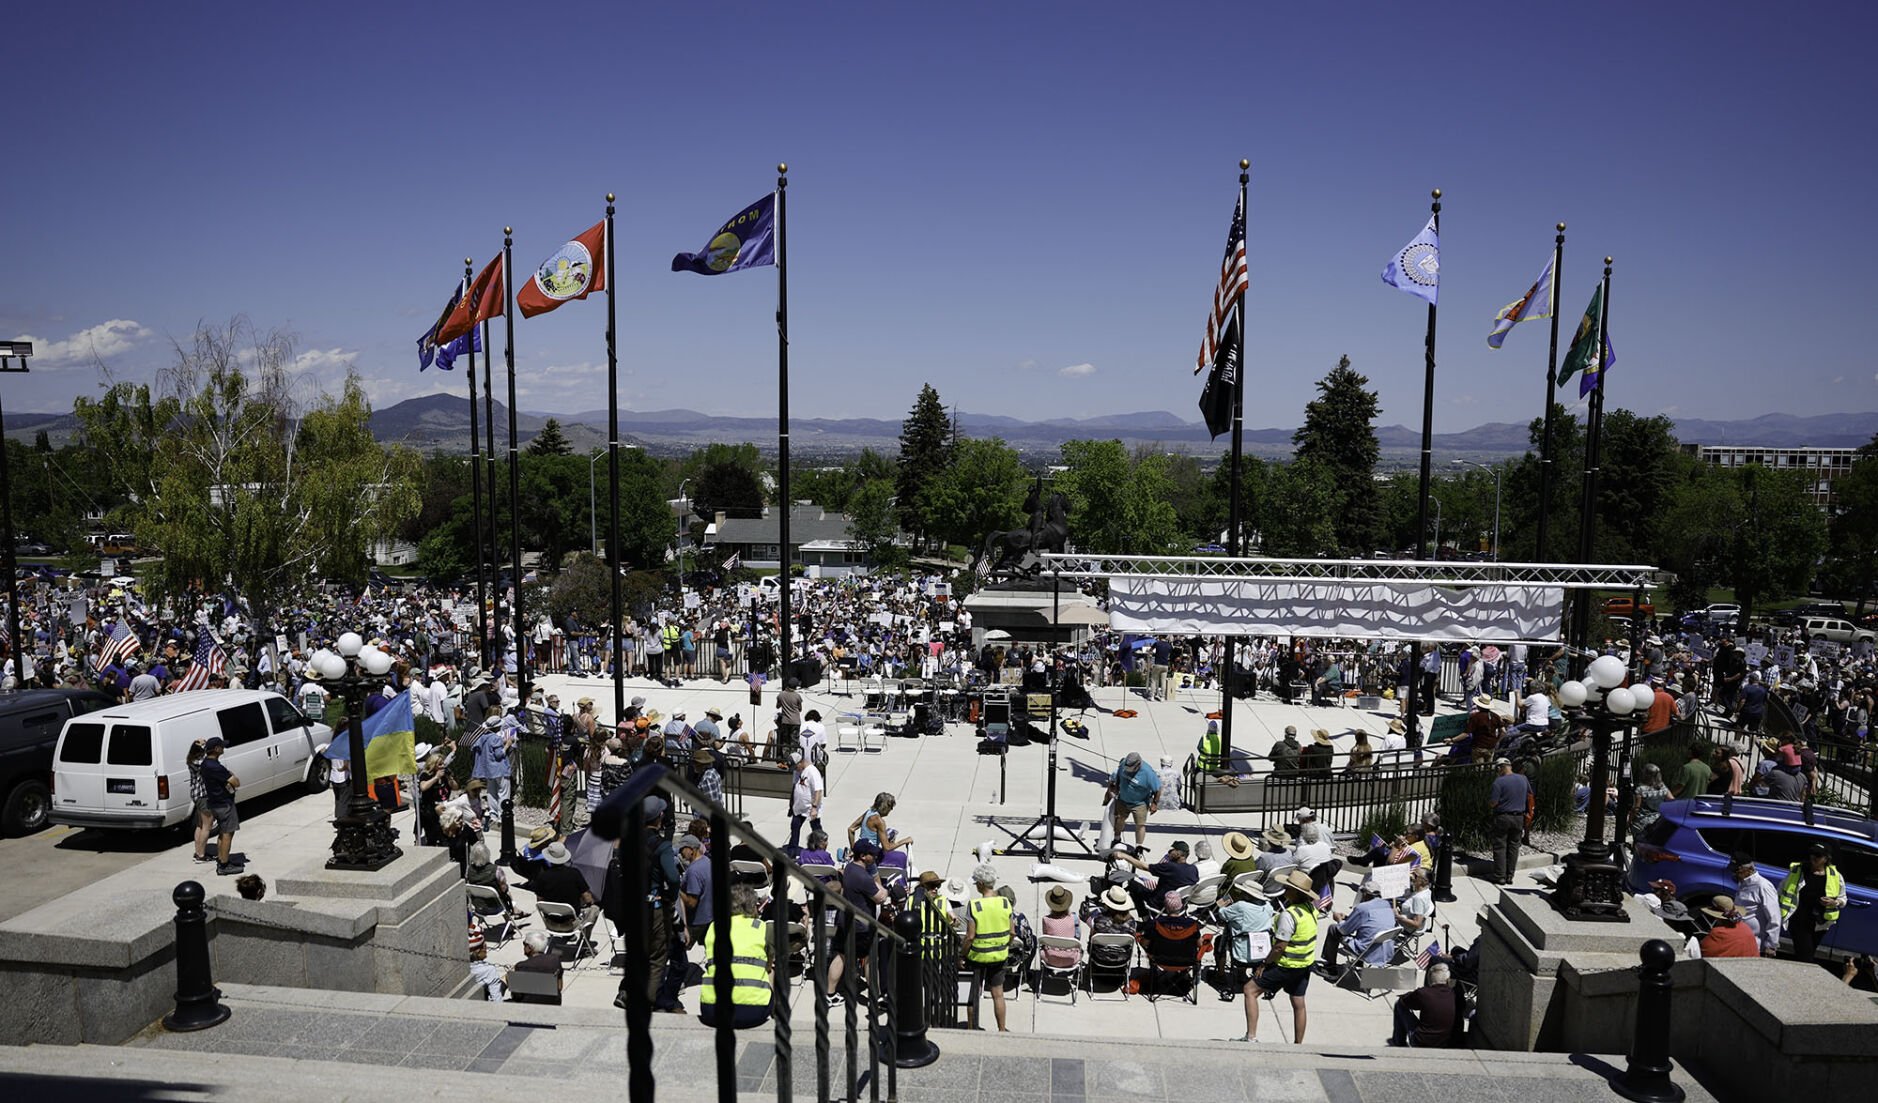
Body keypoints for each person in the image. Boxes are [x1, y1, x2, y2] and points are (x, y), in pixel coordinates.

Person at [1243, 869, 1319, 1044]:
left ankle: (1251, 1037)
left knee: (1250, 990)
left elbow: (1279, 947)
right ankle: (1298, 1045)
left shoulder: (1289, 915)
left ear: (1295, 892)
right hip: (1304, 966)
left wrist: (1263, 964)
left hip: (1285, 966)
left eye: (1287, 887)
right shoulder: (1311, 909)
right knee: (1298, 1003)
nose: (1284, 889)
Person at [699, 884, 773, 1029]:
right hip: (752, 1012)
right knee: (769, 969)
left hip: (712, 1010)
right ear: (752, 905)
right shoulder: (762, 927)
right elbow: (769, 962)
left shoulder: (714, 927)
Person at [1778, 842, 1848, 964]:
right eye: (1812, 854)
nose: (1813, 857)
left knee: (1807, 954)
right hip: (1799, 920)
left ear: (1826, 858)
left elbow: (1843, 899)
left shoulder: (1835, 876)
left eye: (1818, 855)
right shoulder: (1798, 870)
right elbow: (1781, 888)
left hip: (1820, 923)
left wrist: (1834, 901)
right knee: (1806, 957)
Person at [963, 863, 1012, 1031]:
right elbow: (1012, 932)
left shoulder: (975, 905)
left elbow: (970, 936)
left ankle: (971, 1028)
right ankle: (1002, 1029)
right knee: (998, 994)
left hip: (977, 956)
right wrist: (1004, 945)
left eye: (977, 882)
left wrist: (962, 954)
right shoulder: (1005, 903)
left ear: (982, 884)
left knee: (973, 995)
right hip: (999, 955)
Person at [1318, 883, 1397, 973]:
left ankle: (1330, 969)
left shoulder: (1363, 907)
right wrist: (1348, 918)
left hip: (1366, 952)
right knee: (1366, 933)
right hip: (1383, 952)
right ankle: (1358, 963)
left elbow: (1343, 930)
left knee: (1333, 929)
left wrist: (1339, 919)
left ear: (1365, 894)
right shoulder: (1387, 904)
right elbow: (1370, 922)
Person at [1214, 879, 1275, 993]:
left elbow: (1223, 914)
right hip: (1261, 953)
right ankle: (1241, 974)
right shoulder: (1268, 907)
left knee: (1219, 941)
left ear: (1247, 894)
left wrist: (1222, 905)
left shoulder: (1241, 906)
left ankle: (1220, 975)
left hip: (1241, 953)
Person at [198, 737, 244, 875]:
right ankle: (224, 866)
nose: (223, 748)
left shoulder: (206, 764)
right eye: (222, 746)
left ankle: (222, 859)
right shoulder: (215, 767)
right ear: (217, 749)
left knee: (222, 833)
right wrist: (232, 775)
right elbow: (235, 782)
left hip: (214, 803)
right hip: (224, 805)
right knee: (227, 834)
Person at [1389, 963, 1458, 1047]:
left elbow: (1404, 1001)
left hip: (1421, 1041)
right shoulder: (1455, 995)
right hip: (1446, 1041)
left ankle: (1398, 1042)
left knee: (1399, 1005)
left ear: (1429, 980)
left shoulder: (1423, 993)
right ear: (1448, 980)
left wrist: (1412, 994)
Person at [1730, 852, 1783, 957]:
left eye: (1737, 870)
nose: (1734, 874)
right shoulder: (1743, 882)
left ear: (1749, 869)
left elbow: (1774, 918)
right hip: (1739, 940)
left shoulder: (1763, 886)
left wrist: (1771, 945)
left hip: (1755, 945)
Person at [1103, 751, 1161, 848]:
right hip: (1123, 800)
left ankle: (1139, 846)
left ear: (1138, 765)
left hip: (1140, 803)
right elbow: (1118, 776)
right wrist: (1116, 787)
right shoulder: (1123, 764)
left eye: (1130, 769)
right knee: (1119, 819)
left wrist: (1155, 803)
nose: (1128, 770)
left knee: (1140, 825)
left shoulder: (1148, 773)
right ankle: (1117, 838)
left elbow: (1157, 789)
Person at [1487, 758, 1530, 885]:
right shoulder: (1523, 779)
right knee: (1514, 846)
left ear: (1500, 768)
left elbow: (1493, 802)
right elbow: (1530, 796)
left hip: (1503, 817)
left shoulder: (1498, 782)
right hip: (1519, 817)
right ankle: (1510, 875)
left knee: (1500, 846)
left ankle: (1500, 876)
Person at [508, 930, 565, 1004]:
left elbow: (516, 996)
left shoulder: (521, 966)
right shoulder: (555, 960)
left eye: (524, 944)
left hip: (529, 1007)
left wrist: (511, 979)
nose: (524, 946)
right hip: (552, 1005)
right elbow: (559, 987)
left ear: (530, 947)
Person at [677, 833, 714, 945]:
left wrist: (677, 891)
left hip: (697, 921)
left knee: (679, 946)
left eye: (682, 849)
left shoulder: (693, 871)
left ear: (691, 849)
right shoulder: (707, 861)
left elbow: (692, 903)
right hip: (709, 916)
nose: (680, 853)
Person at [787, 750, 825, 855]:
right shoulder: (799, 772)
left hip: (810, 808)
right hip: (799, 809)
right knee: (794, 828)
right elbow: (796, 788)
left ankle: (820, 851)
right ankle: (792, 851)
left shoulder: (812, 771)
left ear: (800, 762)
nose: (795, 770)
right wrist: (791, 805)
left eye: (795, 767)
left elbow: (818, 790)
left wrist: (814, 807)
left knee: (816, 830)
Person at [1038, 885, 1082, 970]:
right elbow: (1078, 938)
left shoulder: (1046, 920)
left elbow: (1045, 938)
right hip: (1071, 959)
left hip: (1050, 959)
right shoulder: (1075, 919)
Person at [186, 740, 215, 863]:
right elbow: (209, 762)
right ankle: (201, 855)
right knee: (207, 826)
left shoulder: (191, 760)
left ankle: (198, 852)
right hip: (203, 795)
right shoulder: (200, 762)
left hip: (196, 795)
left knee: (200, 825)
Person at [1629, 763, 1669, 847]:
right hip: (1658, 820)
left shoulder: (1640, 789)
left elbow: (1636, 808)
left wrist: (1630, 820)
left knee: (1638, 842)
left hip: (1642, 822)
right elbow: (1672, 800)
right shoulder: (1663, 788)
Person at [468, 925, 504, 1002]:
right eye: (484, 946)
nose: (486, 947)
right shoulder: (489, 970)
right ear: (477, 951)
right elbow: (497, 1000)